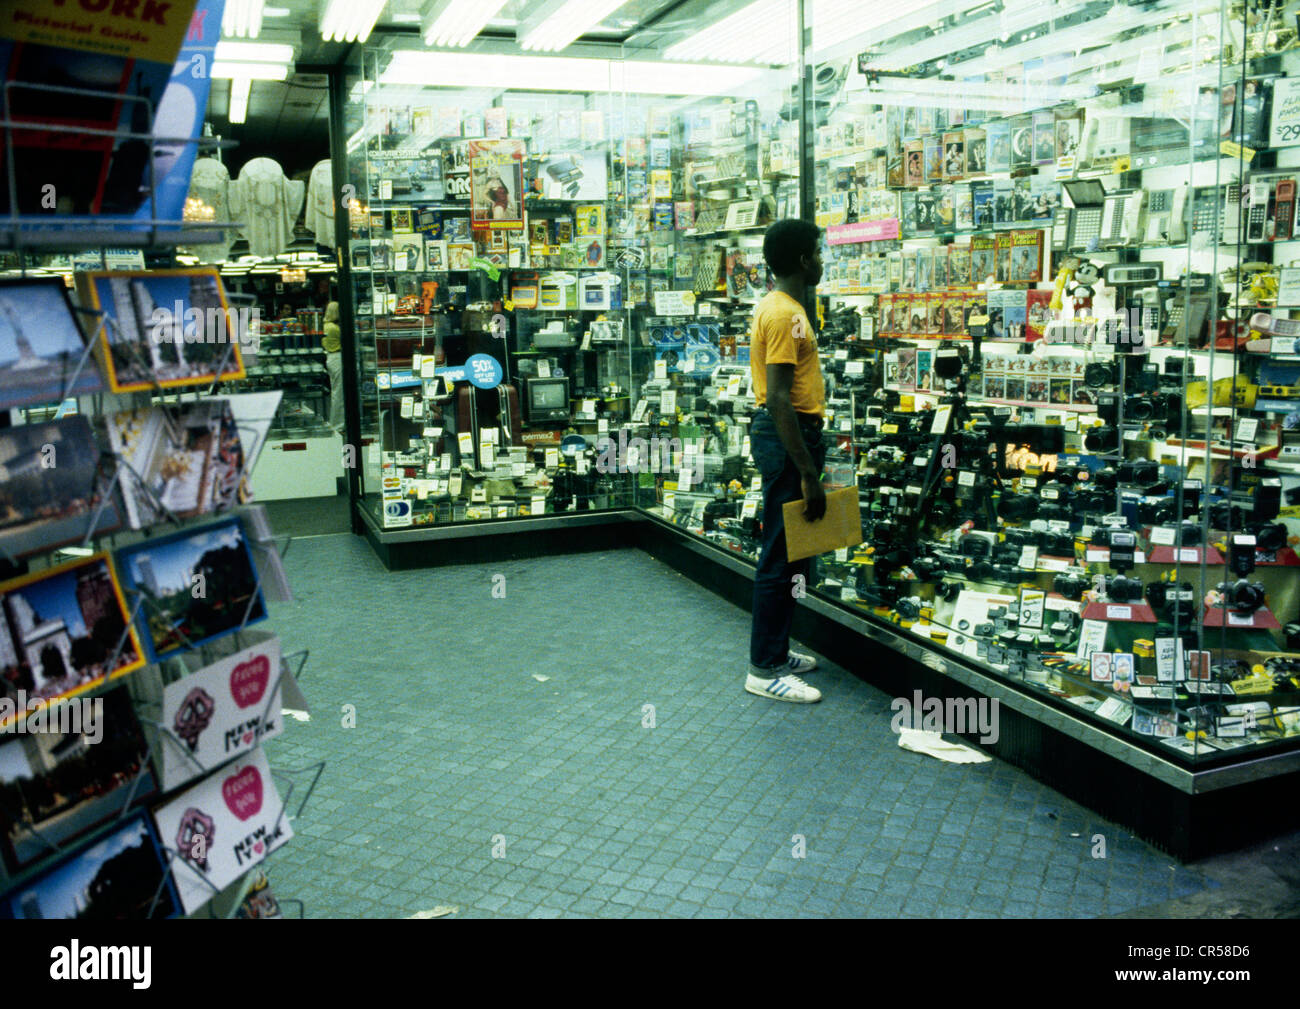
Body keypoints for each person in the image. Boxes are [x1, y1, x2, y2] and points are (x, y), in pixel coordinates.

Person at [745, 219, 828, 704]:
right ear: (803, 260)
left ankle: (777, 649)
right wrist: (808, 472)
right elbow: (778, 400)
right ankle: (764, 668)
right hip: (787, 437)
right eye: (817, 252)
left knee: (795, 552)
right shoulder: (783, 314)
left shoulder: (787, 308)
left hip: (793, 435)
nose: (821, 261)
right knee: (779, 557)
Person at [322, 301, 344, 434]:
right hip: (337, 357)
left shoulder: (326, 326)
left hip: (332, 358)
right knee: (339, 392)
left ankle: (338, 423)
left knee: (338, 391)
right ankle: (337, 425)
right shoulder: (333, 328)